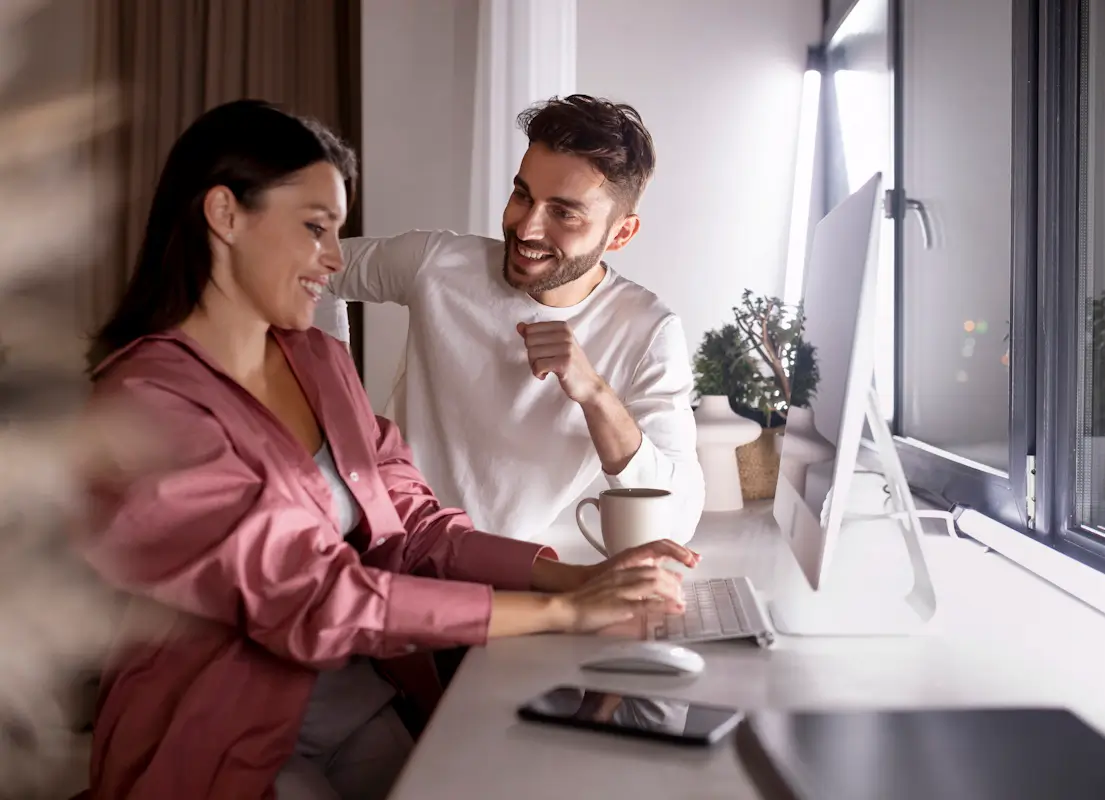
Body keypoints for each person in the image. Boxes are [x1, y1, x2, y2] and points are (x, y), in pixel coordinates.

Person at [82, 99, 696, 800]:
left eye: (336, 232)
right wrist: (562, 612)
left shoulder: (316, 361)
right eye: (315, 229)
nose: (336, 260)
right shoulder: (147, 402)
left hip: (358, 698)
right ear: (224, 216)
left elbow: (415, 527)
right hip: (224, 721)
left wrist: (578, 581)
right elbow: (315, 598)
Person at [317, 94, 705, 545]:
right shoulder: (436, 264)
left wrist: (596, 395)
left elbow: (679, 520)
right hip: (393, 548)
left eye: (563, 213)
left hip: (522, 577)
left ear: (620, 233)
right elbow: (311, 269)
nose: (526, 228)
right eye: (523, 195)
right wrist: (337, 415)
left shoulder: (649, 330)